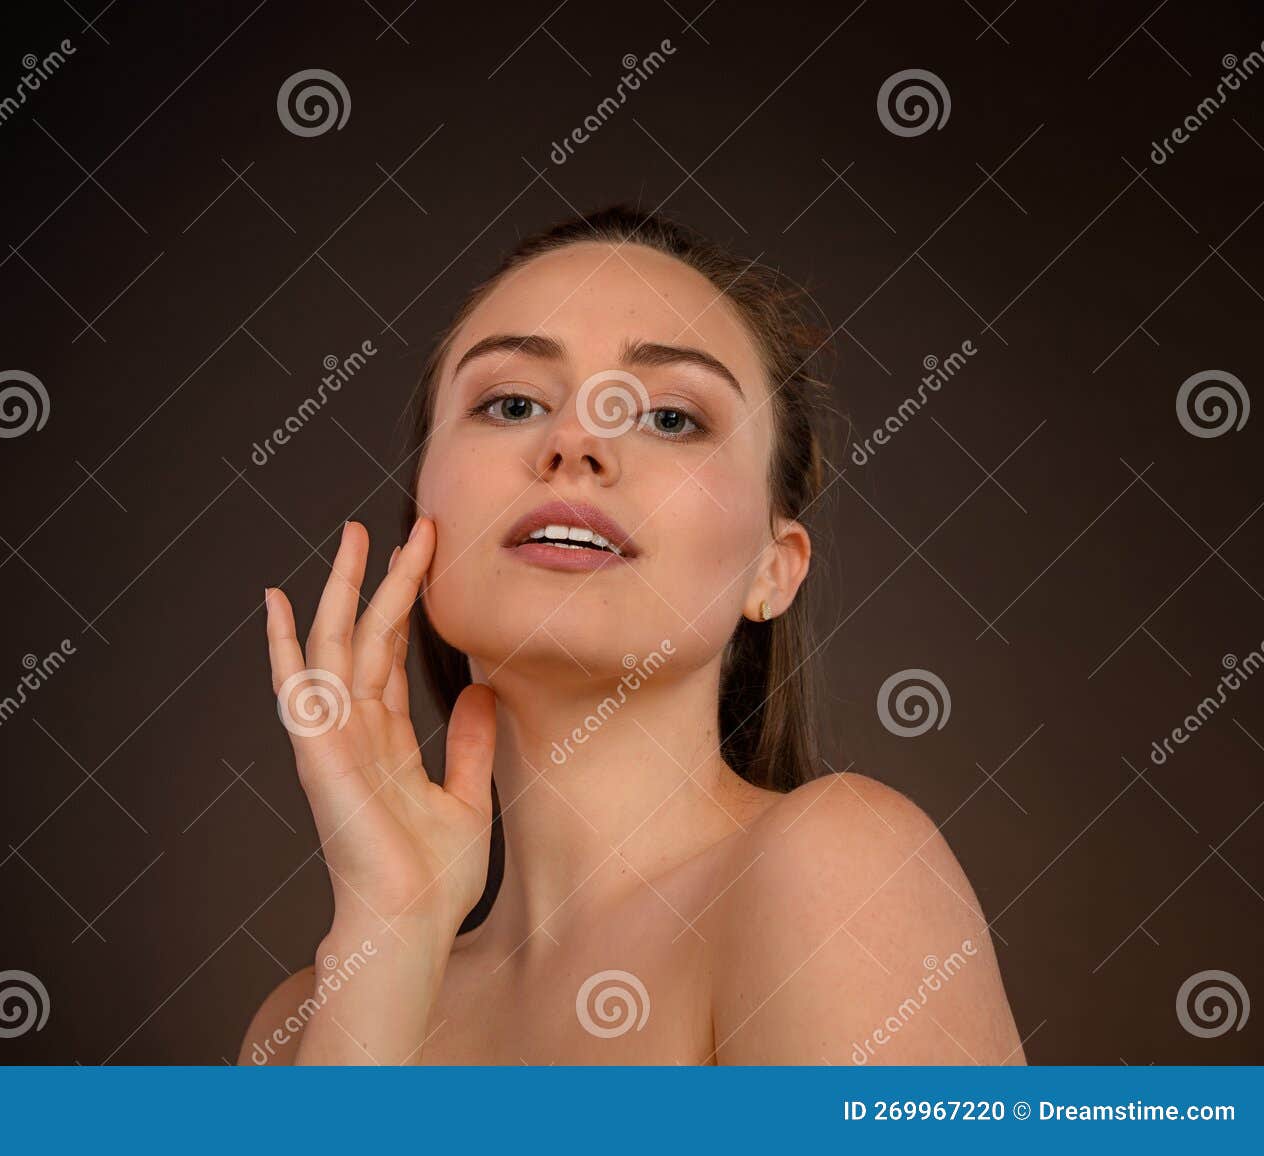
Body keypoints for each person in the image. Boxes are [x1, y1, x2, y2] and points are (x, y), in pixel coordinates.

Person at [244, 205, 1025, 1065]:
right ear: (422, 518)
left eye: (669, 418)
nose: (575, 440)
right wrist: (388, 932)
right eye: (510, 402)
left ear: (775, 567)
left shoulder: (841, 868)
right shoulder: (297, 1031)